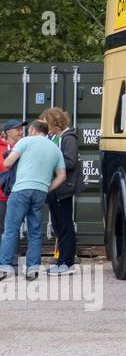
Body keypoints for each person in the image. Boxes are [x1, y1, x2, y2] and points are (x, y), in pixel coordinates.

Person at [0, 120, 66, 281]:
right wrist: (47, 188)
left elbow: (7, 163)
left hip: (21, 190)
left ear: (33, 130)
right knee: (35, 231)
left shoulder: (25, 141)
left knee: (11, 230)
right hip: (40, 192)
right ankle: (32, 269)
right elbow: (62, 175)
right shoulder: (55, 148)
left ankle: (4, 267)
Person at [41, 107, 82, 274]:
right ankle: (61, 261)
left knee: (64, 225)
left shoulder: (68, 138)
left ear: (54, 123)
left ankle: (67, 263)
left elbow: (70, 162)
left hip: (63, 188)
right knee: (59, 225)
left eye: (47, 123)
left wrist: (50, 159)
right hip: (55, 188)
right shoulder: (56, 137)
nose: (45, 127)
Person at [0, 119, 24, 237]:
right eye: (18, 129)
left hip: (18, 195)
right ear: (8, 132)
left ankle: (13, 255)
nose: (21, 132)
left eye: (22, 129)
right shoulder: (0, 148)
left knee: (14, 230)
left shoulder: (24, 148)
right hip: (2, 197)